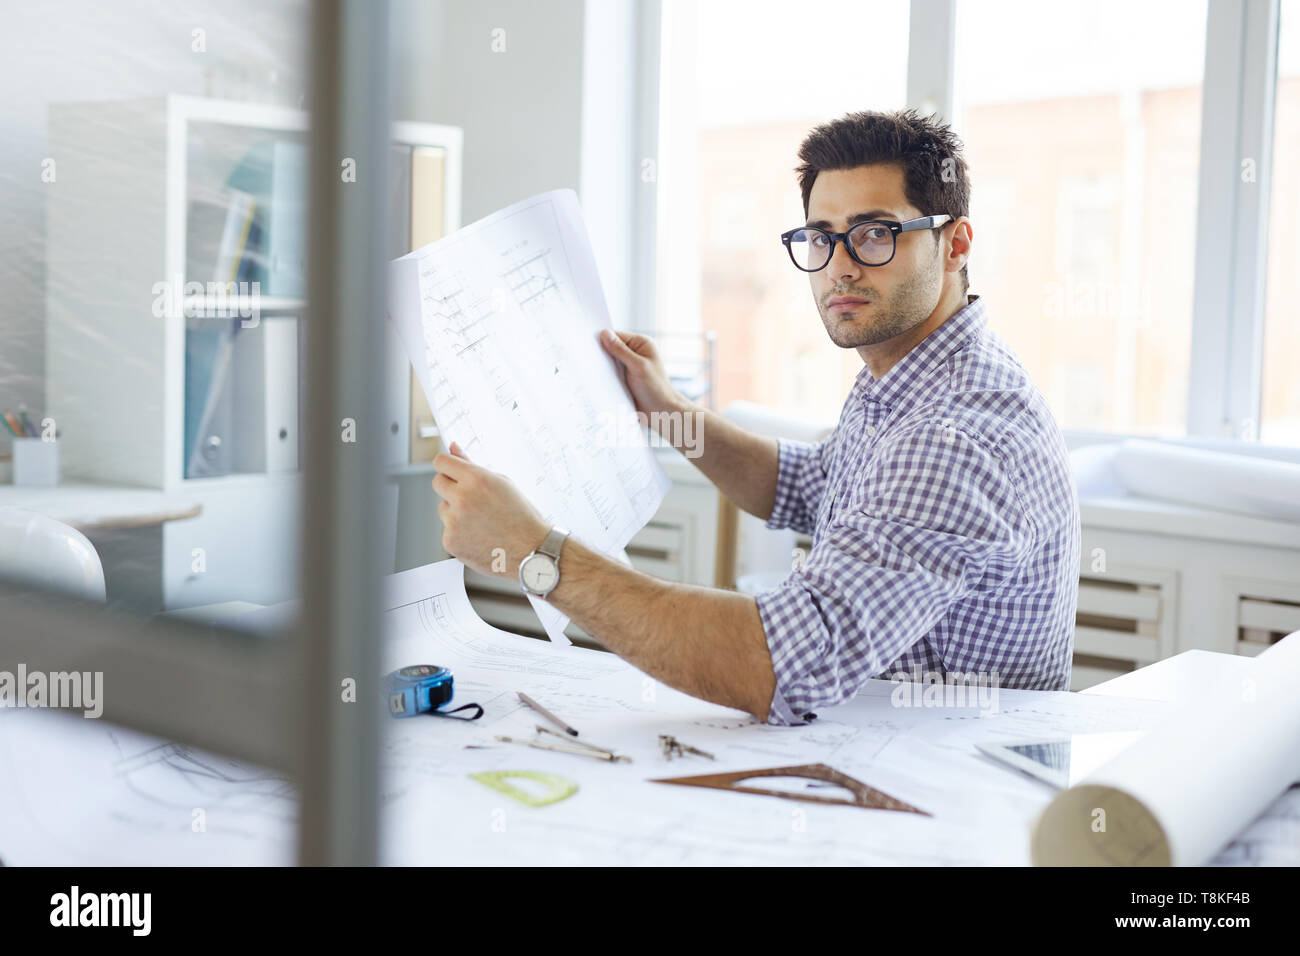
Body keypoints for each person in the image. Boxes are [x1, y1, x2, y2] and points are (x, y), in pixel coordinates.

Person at [431, 109, 1080, 725]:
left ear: (957, 243)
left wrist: (532, 552)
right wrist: (671, 414)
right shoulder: (908, 373)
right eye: (821, 238)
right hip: (888, 746)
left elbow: (779, 665)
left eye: (876, 233)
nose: (841, 265)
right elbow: (809, 485)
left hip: (951, 792)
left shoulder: (955, 432)